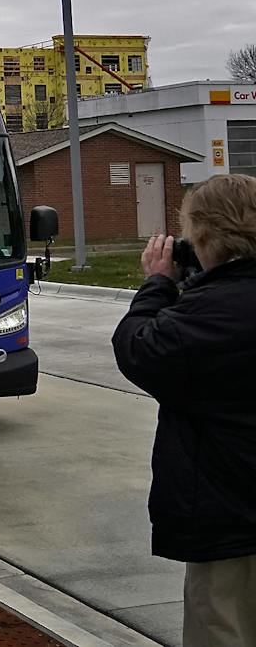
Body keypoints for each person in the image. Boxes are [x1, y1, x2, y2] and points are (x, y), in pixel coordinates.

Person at [111, 174, 256, 647]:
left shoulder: (204, 315)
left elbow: (137, 348)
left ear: (205, 237)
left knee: (224, 631)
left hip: (232, 524)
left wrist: (157, 283)